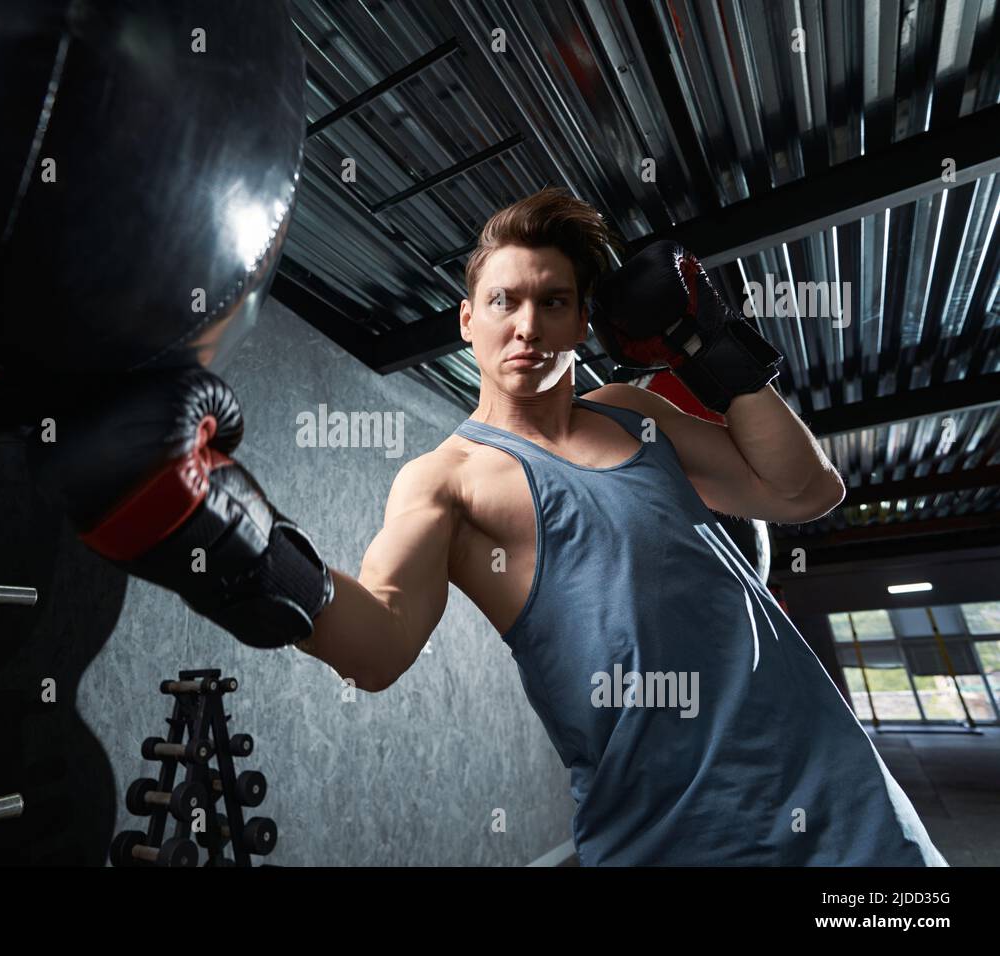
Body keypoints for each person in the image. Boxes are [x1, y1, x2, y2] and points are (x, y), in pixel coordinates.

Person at [295, 188, 948, 866]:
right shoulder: (444, 479)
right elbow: (377, 644)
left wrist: (708, 344)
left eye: (553, 302)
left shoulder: (632, 413)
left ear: (584, 323)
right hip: (677, 839)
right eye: (502, 302)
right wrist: (248, 549)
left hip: (845, 798)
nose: (527, 326)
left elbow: (806, 489)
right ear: (467, 320)